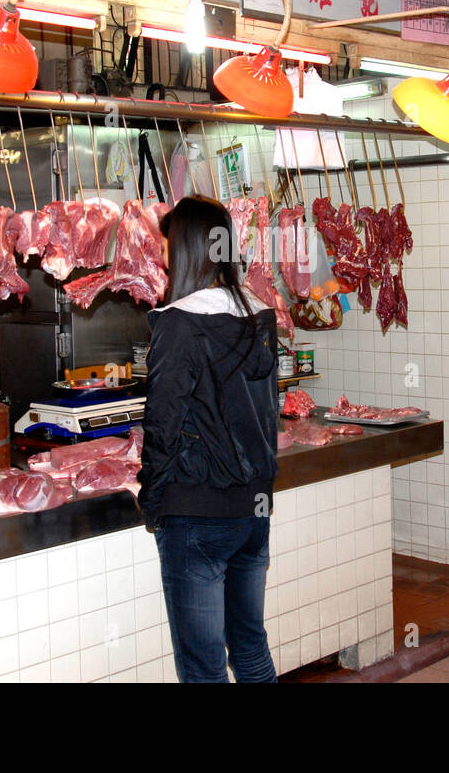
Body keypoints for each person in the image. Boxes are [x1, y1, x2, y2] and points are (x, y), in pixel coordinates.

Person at [138, 195, 280, 681]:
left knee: (203, 669)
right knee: (250, 647)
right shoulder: (259, 314)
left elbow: (163, 423)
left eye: (167, 247)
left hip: (197, 514)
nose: (161, 257)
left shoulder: (179, 323)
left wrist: (152, 501)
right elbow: (266, 414)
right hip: (253, 508)